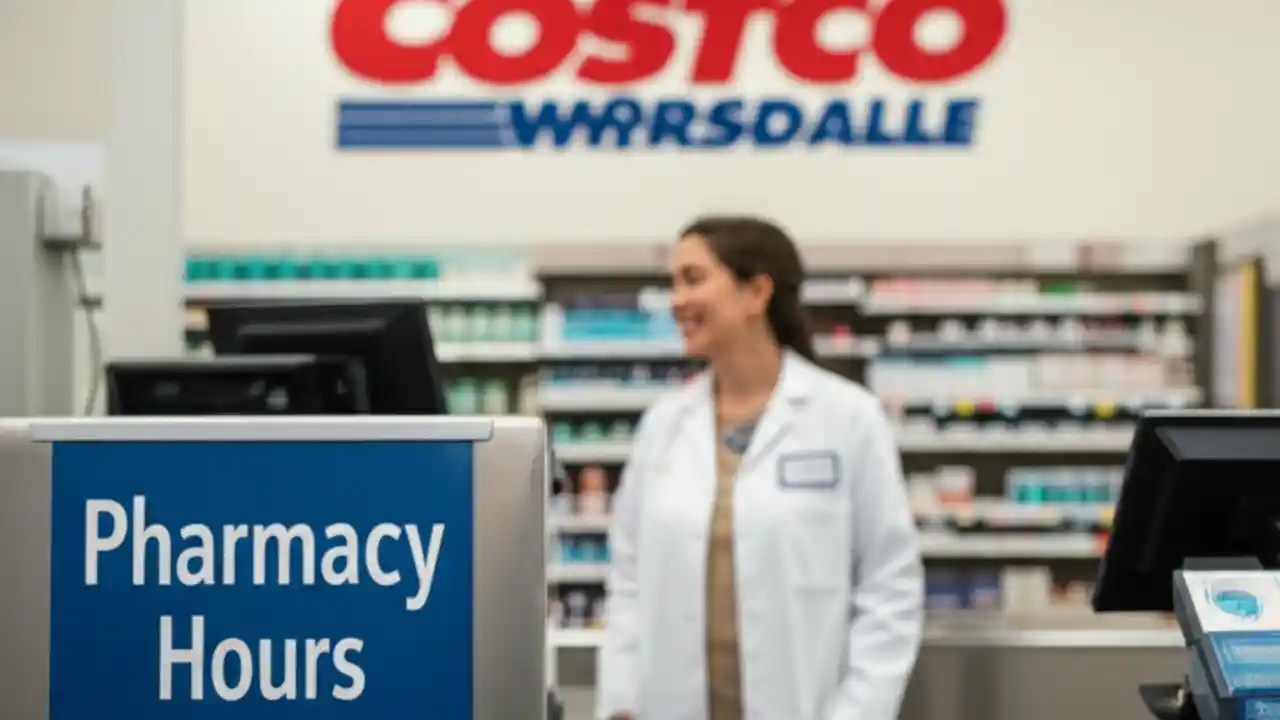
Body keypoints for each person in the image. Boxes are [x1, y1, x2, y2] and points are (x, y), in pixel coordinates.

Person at [597, 216, 924, 720]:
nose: (676, 301)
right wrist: (620, 703)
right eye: (673, 283)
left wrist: (858, 712)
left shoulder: (846, 418)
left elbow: (889, 586)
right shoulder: (662, 425)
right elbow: (629, 583)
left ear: (756, 292)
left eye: (694, 279)